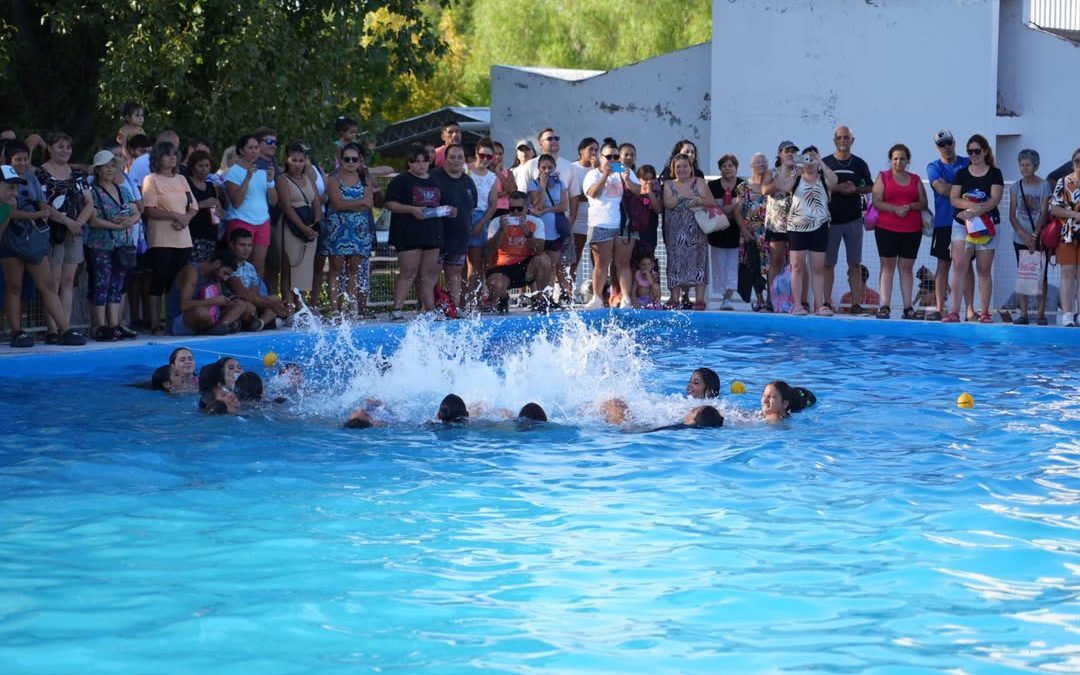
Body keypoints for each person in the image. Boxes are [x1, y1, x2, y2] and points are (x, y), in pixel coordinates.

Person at [0, 162, 86, 346]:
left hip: (29, 242)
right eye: (10, 188)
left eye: (16, 188)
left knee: (46, 284)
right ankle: (17, 331)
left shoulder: (8, 205)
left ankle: (64, 329)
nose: (15, 193)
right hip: (11, 245)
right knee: (13, 286)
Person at [36, 132, 93, 342]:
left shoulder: (78, 174)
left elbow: (89, 202)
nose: (65, 151)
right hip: (53, 232)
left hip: (75, 232)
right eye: (60, 146)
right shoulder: (41, 174)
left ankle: (65, 328)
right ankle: (52, 328)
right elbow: (43, 204)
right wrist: (67, 222)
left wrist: (78, 223)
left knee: (68, 281)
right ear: (49, 148)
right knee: (54, 281)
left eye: (68, 147)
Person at [773, 145, 837, 315]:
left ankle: (820, 304)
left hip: (820, 227)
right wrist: (787, 165)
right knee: (797, 267)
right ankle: (797, 304)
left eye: (811, 159)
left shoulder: (823, 179)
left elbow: (835, 181)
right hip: (797, 228)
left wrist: (820, 162)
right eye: (805, 159)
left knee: (817, 268)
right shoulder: (796, 178)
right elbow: (782, 186)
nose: (808, 162)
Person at [946, 134, 1004, 324]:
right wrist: (971, 209)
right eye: (970, 151)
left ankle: (985, 312)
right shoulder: (961, 174)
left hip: (987, 225)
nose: (973, 154)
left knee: (983, 269)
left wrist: (977, 210)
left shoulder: (995, 173)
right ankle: (954, 311)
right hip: (962, 224)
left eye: (977, 151)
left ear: (985, 151)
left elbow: (995, 199)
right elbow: (954, 198)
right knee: (959, 266)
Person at [142, 140, 198, 335]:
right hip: (161, 238)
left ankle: (173, 321)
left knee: (177, 281)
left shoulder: (182, 180)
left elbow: (193, 206)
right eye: (167, 154)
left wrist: (185, 219)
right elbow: (149, 210)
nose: (172, 157)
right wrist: (175, 216)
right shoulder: (151, 179)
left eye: (174, 153)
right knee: (159, 279)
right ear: (158, 158)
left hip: (183, 238)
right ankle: (155, 323)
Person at [871, 143, 928, 320]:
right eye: (895, 158)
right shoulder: (883, 177)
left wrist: (909, 206)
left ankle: (907, 307)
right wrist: (894, 209)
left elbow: (923, 203)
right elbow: (876, 201)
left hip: (912, 229)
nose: (898, 161)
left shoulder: (916, 179)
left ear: (907, 161)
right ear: (891, 160)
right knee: (887, 267)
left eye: (902, 158)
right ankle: (885, 306)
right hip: (886, 228)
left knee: (906, 268)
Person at [582, 140, 642, 309]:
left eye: (616, 156)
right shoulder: (592, 174)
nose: (613, 160)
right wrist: (604, 175)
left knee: (623, 263)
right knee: (601, 264)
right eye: (609, 156)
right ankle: (597, 297)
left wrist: (628, 180)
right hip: (601, 223)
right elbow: (593, 193)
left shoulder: (623, 170)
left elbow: (638, 191)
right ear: (601, 157)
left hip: (623, 223)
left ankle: (626, 298)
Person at [86, 150, 139, 341]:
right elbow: (93, 221)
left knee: (117, 284)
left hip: (122, 243)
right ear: (98, 170)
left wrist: (129, 221)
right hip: (101, 243)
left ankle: (114, 324)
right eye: (105, 166)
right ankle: (100, 326)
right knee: (102, 282)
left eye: (112, 166)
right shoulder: (93, 192)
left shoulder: (123, 190)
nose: (109, 169)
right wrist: (118, 225)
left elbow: (136, 211)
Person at [822, 126, 872, 313]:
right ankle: (826, 302)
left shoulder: (860, 164)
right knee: (828, 263)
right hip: (830, 220)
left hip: (853, 220)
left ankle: (856, 304)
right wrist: (837, 189)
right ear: (835, 140)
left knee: (855, 264)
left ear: (852, 140)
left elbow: (869, 187)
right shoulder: (825, 163)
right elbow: (817, 186)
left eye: (846, 137)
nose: (843, 141)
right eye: (840, 138)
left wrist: (854, 189)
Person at [323, 142, 374, 318]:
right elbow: (337, 204)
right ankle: (335, 309)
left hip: (359, 231)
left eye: (355, 159)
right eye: (347, 159)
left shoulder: (365, 178)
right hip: (338, 230)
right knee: (336, 268)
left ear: (360, 160)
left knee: (354, 269)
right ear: (341, 160)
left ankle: (352, 307)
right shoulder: (333, 179)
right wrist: (358, 204)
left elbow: (369, 204)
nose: (351, 162)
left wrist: (349, 205)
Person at [927, 130, 973, 322]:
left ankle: (970, 310)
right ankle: (940, 308)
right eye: (941, 144)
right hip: (945, 222)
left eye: (948, 143)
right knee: (943, 264)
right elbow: (940, 188)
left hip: (966, 222)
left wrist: (952, 189)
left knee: (967, 266)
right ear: (937, 147)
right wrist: (962, 189)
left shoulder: (966, 162)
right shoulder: (933, 166)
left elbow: (970, 186)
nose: (945, 147)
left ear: (954, 143)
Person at [275, 141, 321, 314]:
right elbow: (286, 206)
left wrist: (316, 223)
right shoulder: (282, 179)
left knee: (305, 268)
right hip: (291, 226)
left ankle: (301, 306)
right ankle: (288, 306)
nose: (297, 164)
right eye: (294, 160)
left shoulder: (309, 178)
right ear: (287, 160)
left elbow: (316, 201)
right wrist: (303, 228)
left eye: (301, 160)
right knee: (290, 267)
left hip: (310, 225)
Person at [484, 191, 551, 311]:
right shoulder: (497, 222)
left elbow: (538, 250)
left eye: (519, 209)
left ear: (527, 208)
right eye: (512, 208)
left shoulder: (535, 222)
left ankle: (541, 299)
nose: (515, 212)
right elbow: (490, 251)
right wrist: (501, 231)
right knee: (496, 284)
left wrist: (528, 234)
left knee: (544, 260)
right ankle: (503, 297)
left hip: (526, 267)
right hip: (502, 267)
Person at [224, 134, 278, 281]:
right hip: (241, 220)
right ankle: (239, 298)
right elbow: (236, 202)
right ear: (241, 150)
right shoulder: (233, 172)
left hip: (262, 221)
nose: (254, 151)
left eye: (256, 147)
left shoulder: (263, 170)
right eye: (250, 148)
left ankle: (256, 298)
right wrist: (247, 177)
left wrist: (271, 182)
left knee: (258, 266)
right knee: (239, 265)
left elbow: (273, 201)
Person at [1007, 148, 1050, 325]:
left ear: (1036, 166)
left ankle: (1040, 314)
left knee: (1042, 275)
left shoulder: (1044, 185)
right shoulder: (1016, 186)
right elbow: (1012, 215)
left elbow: (1044, 212)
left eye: (1028, 165)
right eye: (1022, 165)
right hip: (1020, 237)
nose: (1024, 168)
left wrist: (1034, 235)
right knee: (1023, 273)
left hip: (1039, 237)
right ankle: (1023, 314)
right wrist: (1023, 235)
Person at [166, 248, 252, 335]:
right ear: (217, 263)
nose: (225, 278)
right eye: (225, 273)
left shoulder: (215, 275)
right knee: (201, 312)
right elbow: (184, 305)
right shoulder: (192, 271)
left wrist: (228, 300)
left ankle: (222, 326)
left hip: (209, 317)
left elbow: (217, 305)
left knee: (242, 304)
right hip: (180, 321)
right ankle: (218, 328)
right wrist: (214, 301)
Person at [433, 144, 477, 307]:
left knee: (455, 273)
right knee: (432, 274)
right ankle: (430, 308)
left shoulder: (468, 181)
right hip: (436, 236)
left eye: (460, 157)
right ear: (445, 158)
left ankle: (455, 307)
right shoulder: (434, 177)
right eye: (452, 157)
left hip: (459, 235)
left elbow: (472, 206)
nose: (456, 161)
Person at [225, 228, 288, 329]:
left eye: (249, 245)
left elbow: (255, 292)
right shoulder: (228, 264)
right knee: (251, 308)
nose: (247, 249)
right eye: (242, 245)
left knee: (276, 299)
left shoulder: (250, 267)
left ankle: (260, 323)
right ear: (232, 245)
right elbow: (241, 292)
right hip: (236, 303)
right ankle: (263, 323)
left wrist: (271, 304)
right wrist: (269, 305)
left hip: (252, 301)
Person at [763, 141, 799, 312]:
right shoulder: (772, 172)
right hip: (776, 223)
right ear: (779, 153)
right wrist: (782, 177)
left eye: (793, 151)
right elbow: (765, 189)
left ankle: (797, 300)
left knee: (797, 264)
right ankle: (772, 299)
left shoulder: (800, 172)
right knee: (776, 261)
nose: (790, 154)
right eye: (787, 151)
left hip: (797, 223)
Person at [732, 153, 772, 311]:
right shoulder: (744, 187)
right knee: (754, 266)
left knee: (771, 267)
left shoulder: (772, 184)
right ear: (751, 166)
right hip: (750, 234)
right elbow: (737, 212)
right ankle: (760, 300)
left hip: (770, 232)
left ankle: (771, 300)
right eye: (757, 162)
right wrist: (744, 230)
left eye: (763, 161)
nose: (761, 164)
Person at [527, 153, 569, 301]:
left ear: (555, 168)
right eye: (543, 167)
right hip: (540, 232)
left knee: (551, 266)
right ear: (538, 169)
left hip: (555, 231)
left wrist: (546, 210)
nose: (547, 171)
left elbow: (564, 205)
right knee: (538, 264)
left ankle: (548, 297)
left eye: (550, 167)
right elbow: (536, 204)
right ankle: (536, 296)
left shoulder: (560, 184)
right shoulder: (533, 184)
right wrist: (543, 187)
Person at [464, 138, 499, 308]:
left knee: (475, 263)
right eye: (482, 155)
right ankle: (458, 299)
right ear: (476, 153)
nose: (485, 159)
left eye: (489, 157)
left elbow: (493, 205)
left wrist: (481, 223)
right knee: (456, 263)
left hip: (480, 217)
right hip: (463, 215)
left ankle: (473, 299)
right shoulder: (466, 170)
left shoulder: (492, 177)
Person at [707, 154, 744, 309]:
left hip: (736, 231)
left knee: (732, 265)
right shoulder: (712, 186)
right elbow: (711, 207)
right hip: (717, 231)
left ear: (736, 168)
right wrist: (733, 205)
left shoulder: (743, 185)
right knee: (719, 265)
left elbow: (745, 208)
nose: (727, 168)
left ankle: (728, 298)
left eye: (730, 165)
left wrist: (726, 209)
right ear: (720, 169)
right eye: (724, 166)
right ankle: (722, 296)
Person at [1049, 147, 1080, 327]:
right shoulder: (1064, 182)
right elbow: (1054, 208)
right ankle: (1067, 314)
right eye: (1076, 161)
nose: (1079, 165)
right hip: (1068, 234)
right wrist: (1075, 215)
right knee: (1067, 273)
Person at [568, 137, 598, 296]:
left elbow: (602, 192)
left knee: (597, 260)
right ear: (581, 151)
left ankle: (598, 293)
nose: (594, 153)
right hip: (577, 219)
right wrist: (588, 194)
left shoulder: (600, 168)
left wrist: (597, 171)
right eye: (590, 149)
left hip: (596, 219)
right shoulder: (572, 168)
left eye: (596, 150)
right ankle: (568, 292)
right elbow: (572, 194)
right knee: (574, 258)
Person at [184, 149, 222, 263]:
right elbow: (185, 205)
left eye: (207, 165)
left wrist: (218, 210)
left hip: (210, 236)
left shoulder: (211, 186)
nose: (204, 169)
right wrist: (204, 204)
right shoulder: (187, 183)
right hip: (193, 235)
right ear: (192, 167)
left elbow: (217, 207)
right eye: (200, 165)